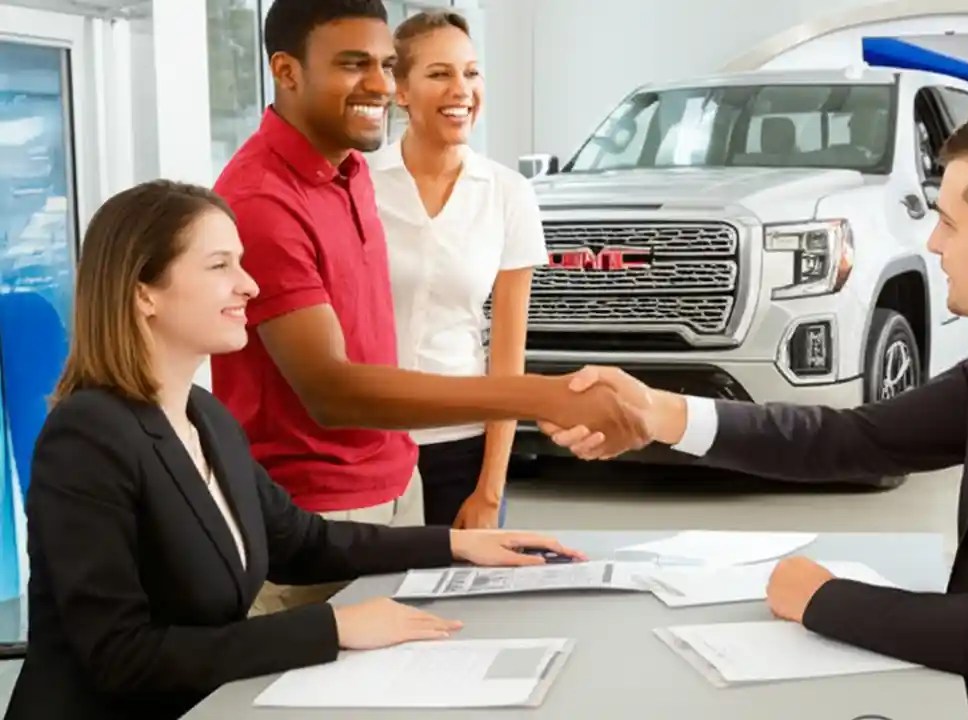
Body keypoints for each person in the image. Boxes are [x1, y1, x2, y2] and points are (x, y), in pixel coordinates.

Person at [543, 103, 968, 719]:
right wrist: (660, 412)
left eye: (949, 222)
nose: (934, 245)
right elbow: (858, 439)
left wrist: (818, 598)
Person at [4, 180, 584, 720]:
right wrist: (332, 627)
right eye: (219, 266)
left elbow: (303, 543)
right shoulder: (86, 437)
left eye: (242, 263)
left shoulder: (205, 418)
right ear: (143, 295)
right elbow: (121, 655)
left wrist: (459, 545)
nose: (249, 285)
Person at [210, 0, 643, 613]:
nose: (379, 85)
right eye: (354, 64)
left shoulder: (348, 170)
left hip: (395, 480)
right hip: (311, 508)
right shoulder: (262, 200)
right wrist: (543, 396)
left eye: (385, 65)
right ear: (286, 71)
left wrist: (486, 479)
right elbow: (331, 391)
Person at [370, 9, 544, 530]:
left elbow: (508, 356)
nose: (462, 89)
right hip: (368, 445)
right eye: (439, 73)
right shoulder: (358, 184)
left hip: (462, 450)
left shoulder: (509, 193)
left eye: (471, 72)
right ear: (400, 90)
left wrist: (491, 487)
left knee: (464, 608)